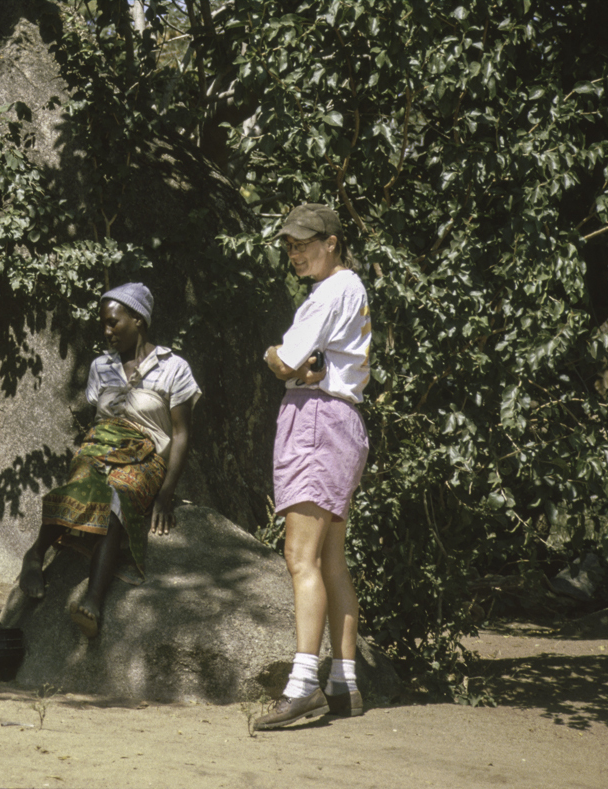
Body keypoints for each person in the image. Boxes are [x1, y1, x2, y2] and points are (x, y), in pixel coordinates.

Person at [18, 283, 201, 638]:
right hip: (101, 445)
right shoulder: (101, 366)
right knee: (82, 485)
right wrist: (97, 454)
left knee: (116, 494)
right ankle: (35, 555)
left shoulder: (174, 368)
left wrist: (165, 494)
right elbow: (98, 422)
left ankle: (94, 598)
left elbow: (180, 435)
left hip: (146, 456)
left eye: (114, 323)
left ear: (138, 320)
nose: (106, 331)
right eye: (103, 323)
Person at [254, 204, 371, 729]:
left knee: (300, 558)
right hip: (343, 422)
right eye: (289, 245)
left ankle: (303, 686)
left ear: (332, 241)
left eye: (304, 242)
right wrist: (292, 361)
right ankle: (344, 683)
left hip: (318, 419)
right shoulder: (351, 290)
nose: (295, 252)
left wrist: (273, 354)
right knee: (330, 561)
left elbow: (285, 359)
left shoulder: (331, 292)